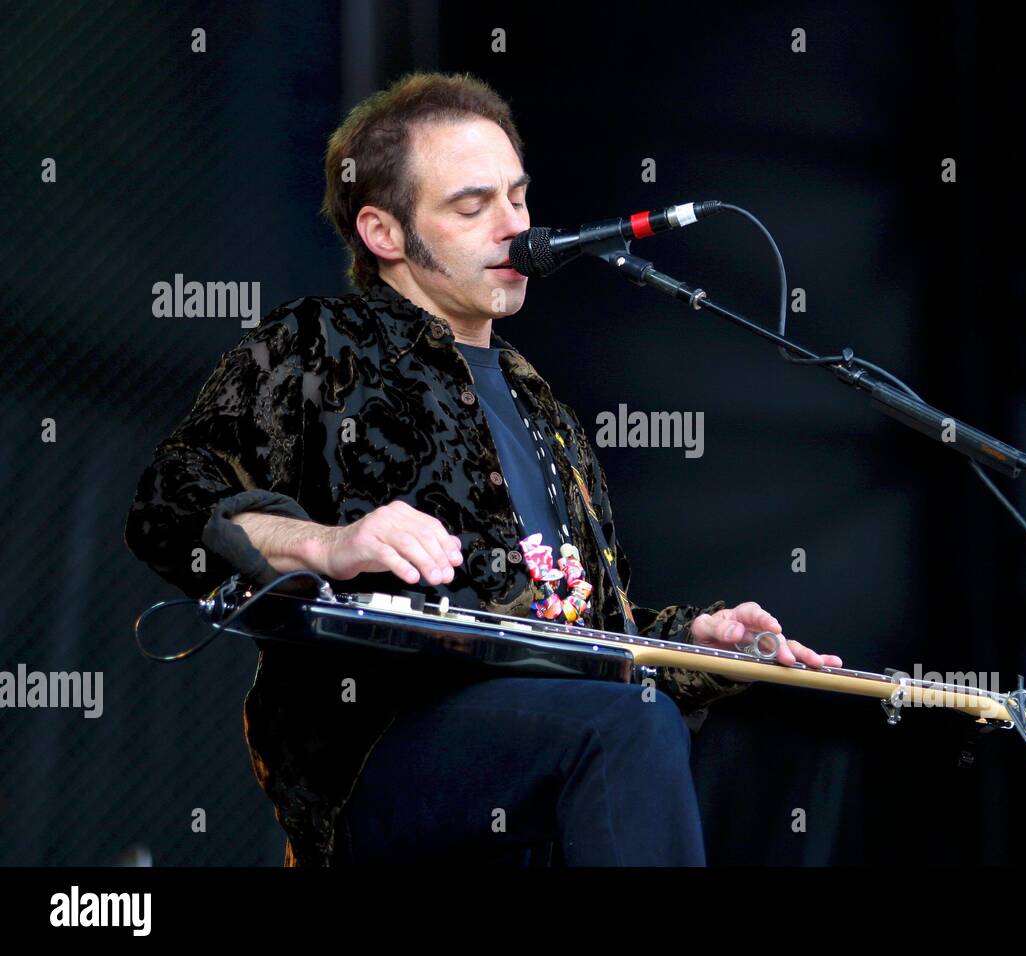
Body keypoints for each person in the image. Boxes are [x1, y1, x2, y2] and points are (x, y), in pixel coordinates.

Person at [124, 71, 842, 867]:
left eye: (518, 198)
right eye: (472, 207)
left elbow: (592, 630)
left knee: (692, 725)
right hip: (383, 755)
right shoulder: (316, 345)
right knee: (627, 722)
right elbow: (167, 501)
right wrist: (326, 544)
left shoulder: (547, 412)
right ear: (384, 232)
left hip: (551, 747)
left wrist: (699, 642)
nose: (515, 227)